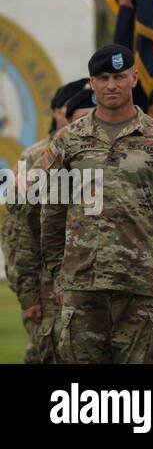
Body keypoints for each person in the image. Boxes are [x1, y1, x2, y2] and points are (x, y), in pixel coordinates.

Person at [39, 45, 153, 363]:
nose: (112, 85)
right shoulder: (68, 142)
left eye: (119, 77)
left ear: (134, 78)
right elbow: (52, 215)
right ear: (92, 83)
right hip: (82, 285)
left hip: (141, 286)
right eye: (103, 78)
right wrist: (60, 273)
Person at [2, 79, 88, 364]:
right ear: (58, 112)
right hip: (48, 286)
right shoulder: (36, 159)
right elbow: (17, 233)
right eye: (75, 108)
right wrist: (27, 294)